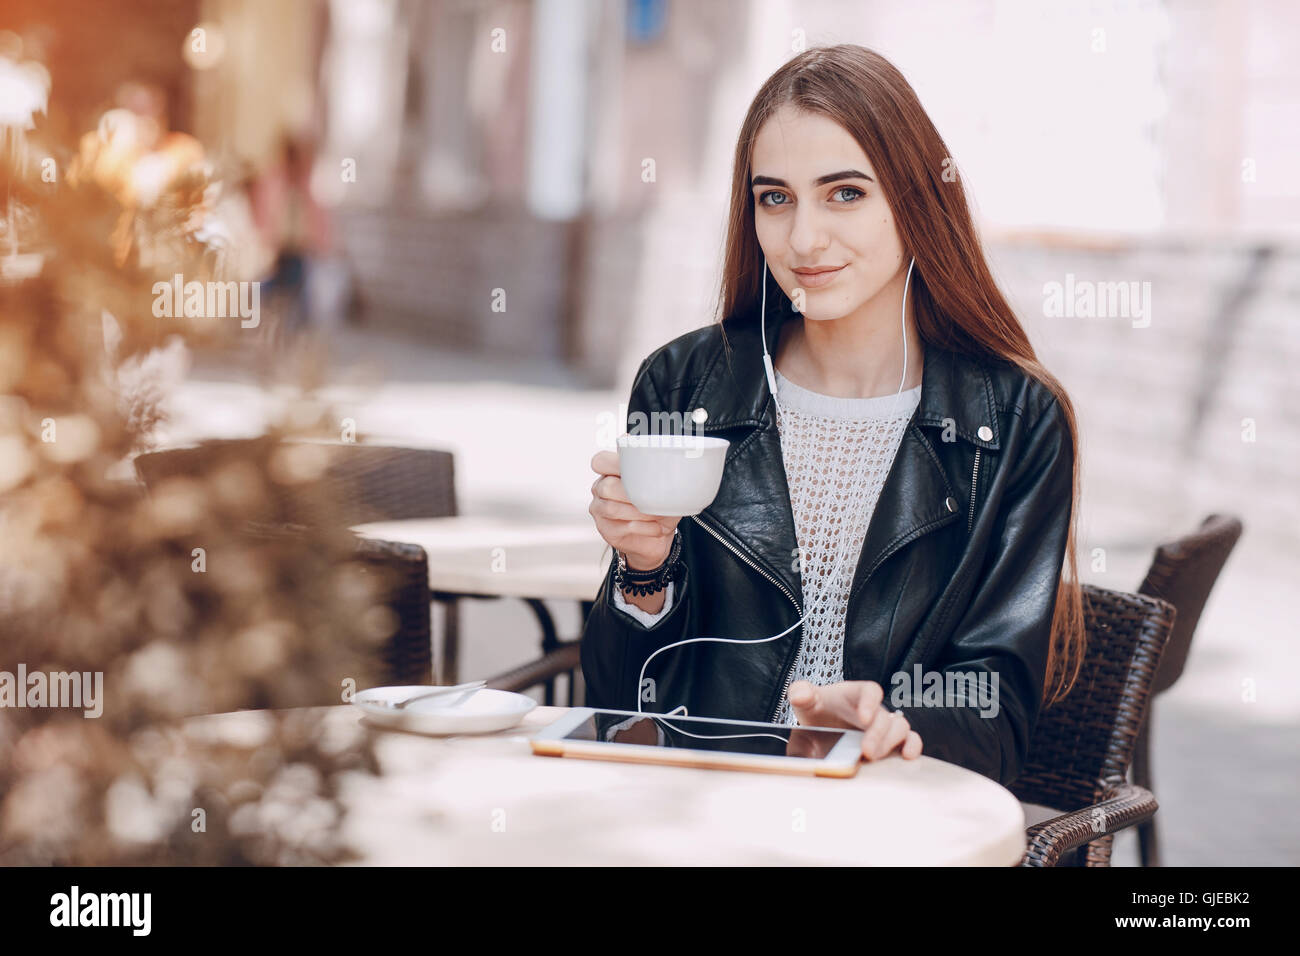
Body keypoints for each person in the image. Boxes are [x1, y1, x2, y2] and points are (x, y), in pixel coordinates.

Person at [581, 45, 1084, 787]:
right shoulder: (685, 384)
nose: (804, 239)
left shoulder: (1013, 423)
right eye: (774, 198)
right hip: (697, 807)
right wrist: (642, 574)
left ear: (915, 200)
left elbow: (1000, 721)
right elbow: (619, 706)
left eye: (844, 193)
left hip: (882, 818)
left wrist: (884, 724)